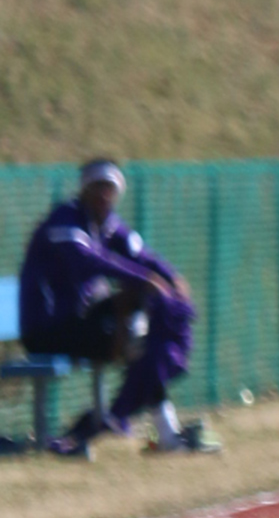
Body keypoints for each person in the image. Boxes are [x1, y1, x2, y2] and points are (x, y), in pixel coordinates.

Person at [18, 159, 218, 459]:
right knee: (139, 340)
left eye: (110, 189)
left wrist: (170, 277)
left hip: (79, 322)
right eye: (98, 187)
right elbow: (90, 261)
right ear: (85, 189)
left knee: (146, 331)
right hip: (46, 329)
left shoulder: (107, 225)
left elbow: (143, 255)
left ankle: (139, 428)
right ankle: (101, 427)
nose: (104, 195)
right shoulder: (65, 220)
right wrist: (145, 280)